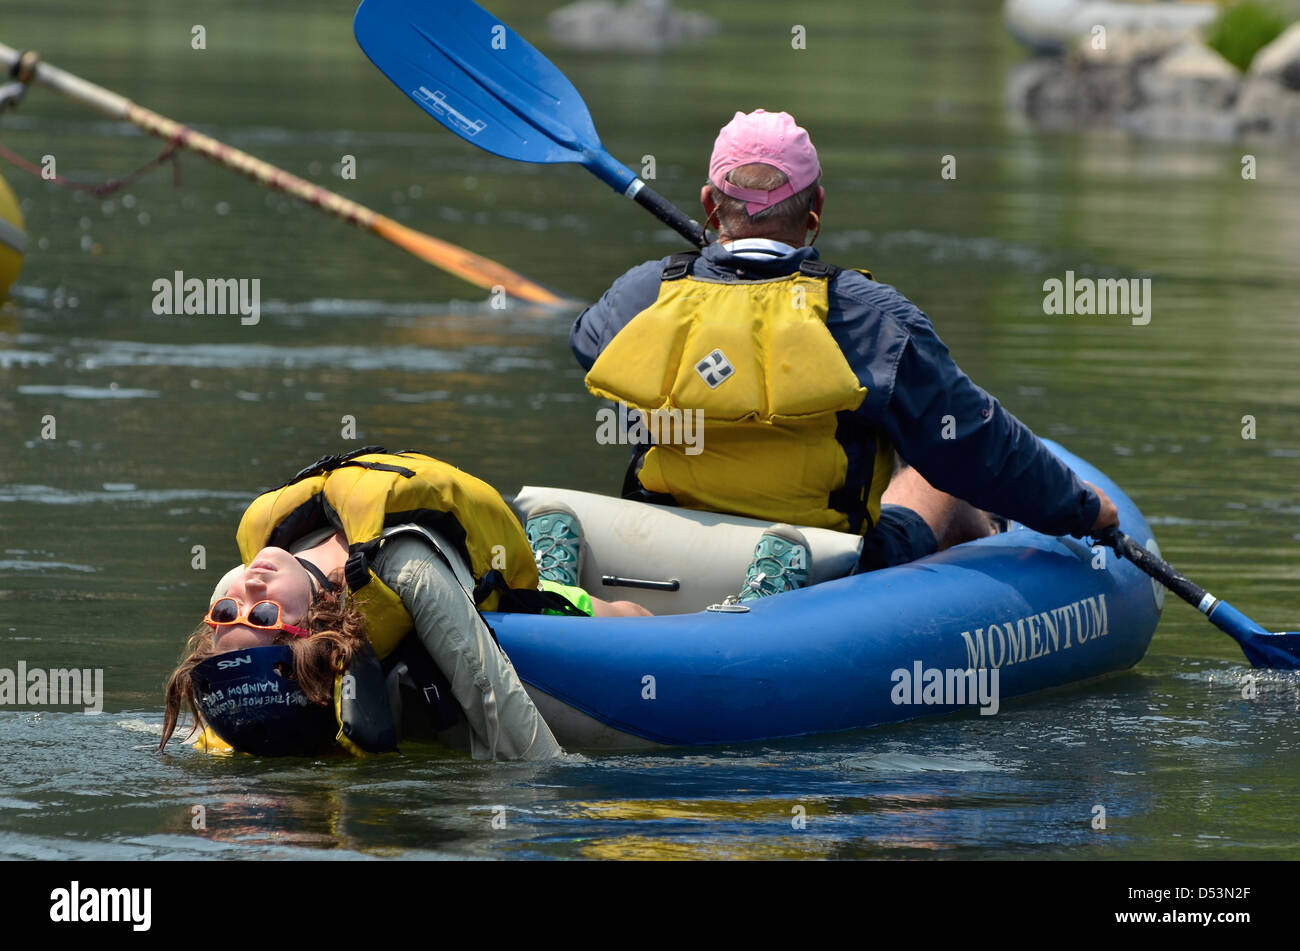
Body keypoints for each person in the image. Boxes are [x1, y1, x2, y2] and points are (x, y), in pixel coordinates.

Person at [565, 109, 1119, 601]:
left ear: (710, 204)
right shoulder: (869, 317)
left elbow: (586, 340)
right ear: (816, 209)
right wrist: (1080, 507)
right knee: (937, 471)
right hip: (828, 564)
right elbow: (976, 443)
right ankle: (987, 555)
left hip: (664, 549)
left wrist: (710, 287)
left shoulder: (642, 295)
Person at [160, 447, 647, 760]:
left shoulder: (236, 583)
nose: (246, 593)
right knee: (626, 619)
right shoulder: (402, 565)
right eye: (264, 617)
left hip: (486, 555)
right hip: (502, 597)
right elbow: (488, 689)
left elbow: (231, 693)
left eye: (224, 613)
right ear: (317, 632)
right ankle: (553, 552)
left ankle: (546, 533)